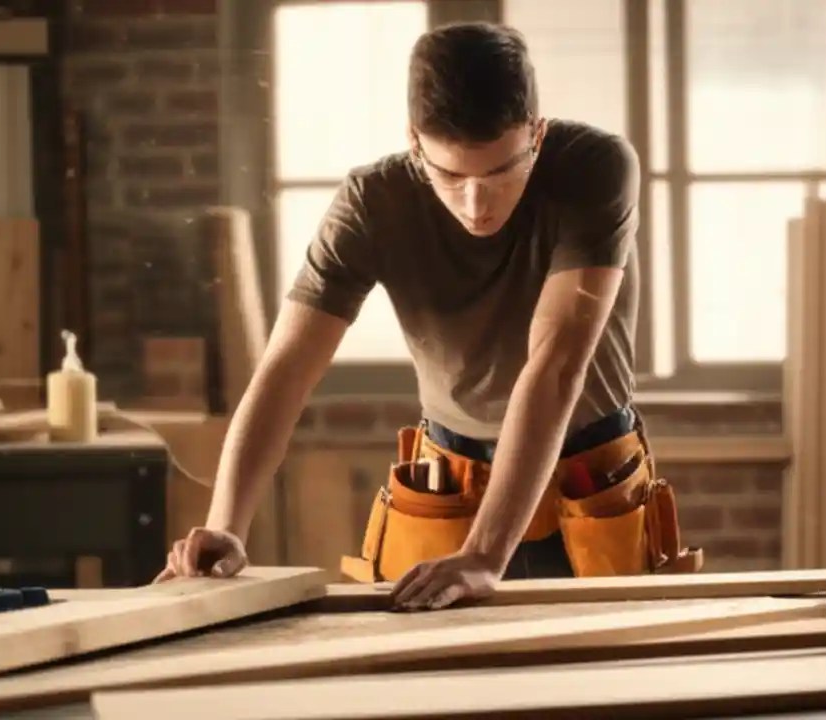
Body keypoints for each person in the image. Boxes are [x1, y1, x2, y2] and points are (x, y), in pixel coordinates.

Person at [154, 21, 699, 611]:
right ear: (415, 143)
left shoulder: (595, 168)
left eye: (499, 173)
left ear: (536, 136)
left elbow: (557, 363)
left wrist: (486, 555)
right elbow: (286, 368)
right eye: (450, 175)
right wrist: (228, 524)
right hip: (451, 472)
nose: (476, 203)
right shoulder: (372, 201)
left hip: (588, 471)